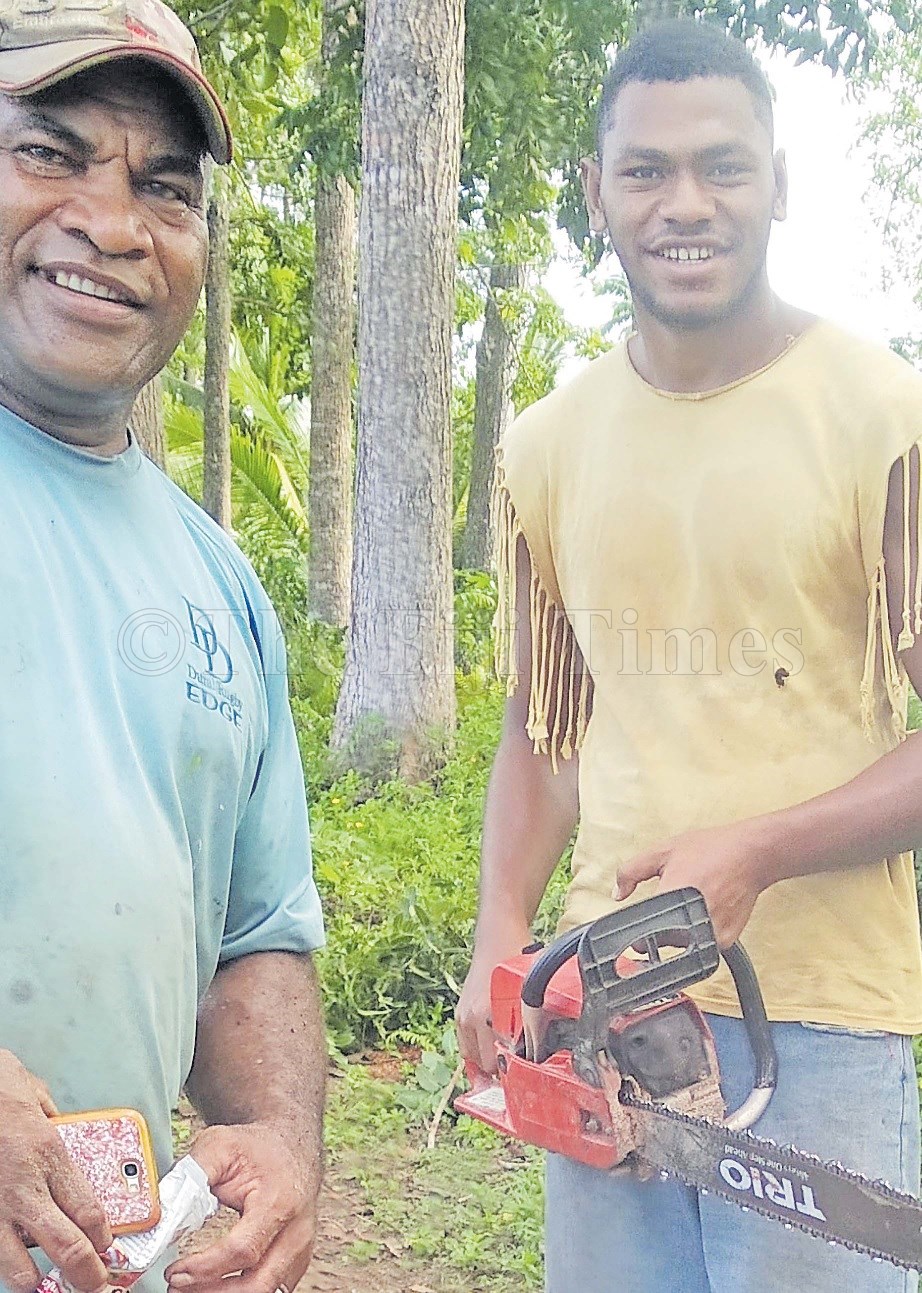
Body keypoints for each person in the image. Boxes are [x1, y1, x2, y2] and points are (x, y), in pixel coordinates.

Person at [456, 18, 922, 1293]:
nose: (685, 204)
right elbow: (544, 734)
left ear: (780, 186)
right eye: (647, 170)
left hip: (820, 1021)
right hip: (602, 1012)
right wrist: (501, 943)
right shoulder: (548, 446)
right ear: (595, 193)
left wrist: (758, 850)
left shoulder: (883, 416)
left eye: (723, 166)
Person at [0, 3, 326, 1293]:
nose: (113, 224)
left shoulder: (221, 584)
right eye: (52, 154)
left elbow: (254, 927)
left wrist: (279, 1140)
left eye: (164, 189)